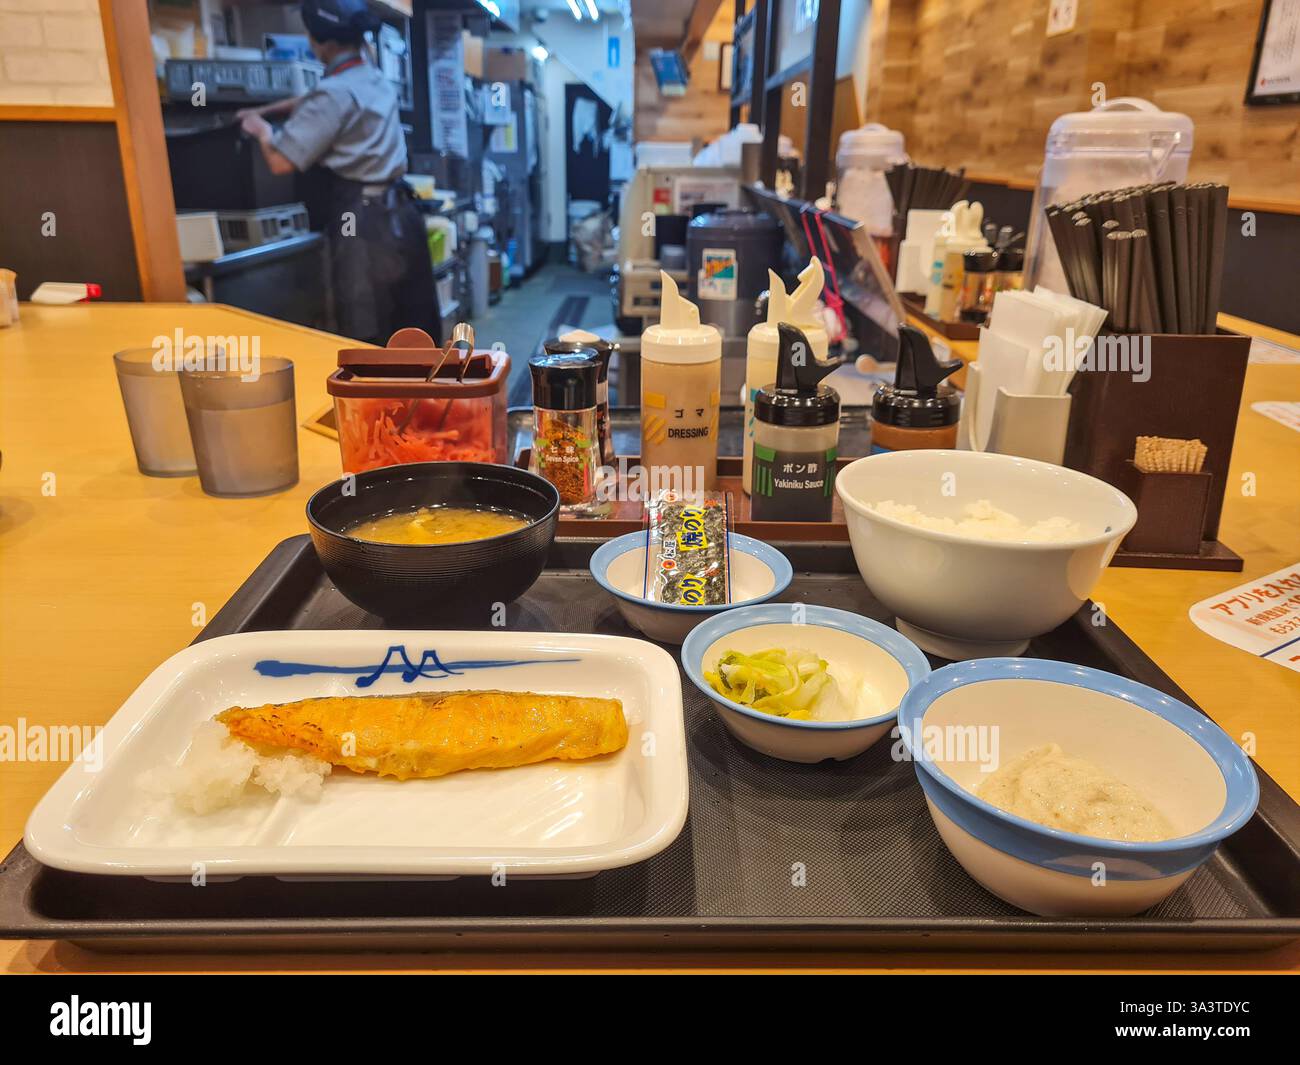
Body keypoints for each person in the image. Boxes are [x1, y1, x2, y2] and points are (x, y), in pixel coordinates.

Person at [238, 0, 440, 344]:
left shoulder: (332, 93)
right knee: (415, 326)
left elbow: (280, 162)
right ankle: (426, 395)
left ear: (323, 43)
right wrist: (268, 107)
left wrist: (261, 129)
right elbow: (314, 100)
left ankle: (375, 397)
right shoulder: (373, 76)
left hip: (363, 224)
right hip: (402, 214)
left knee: (366, 328)